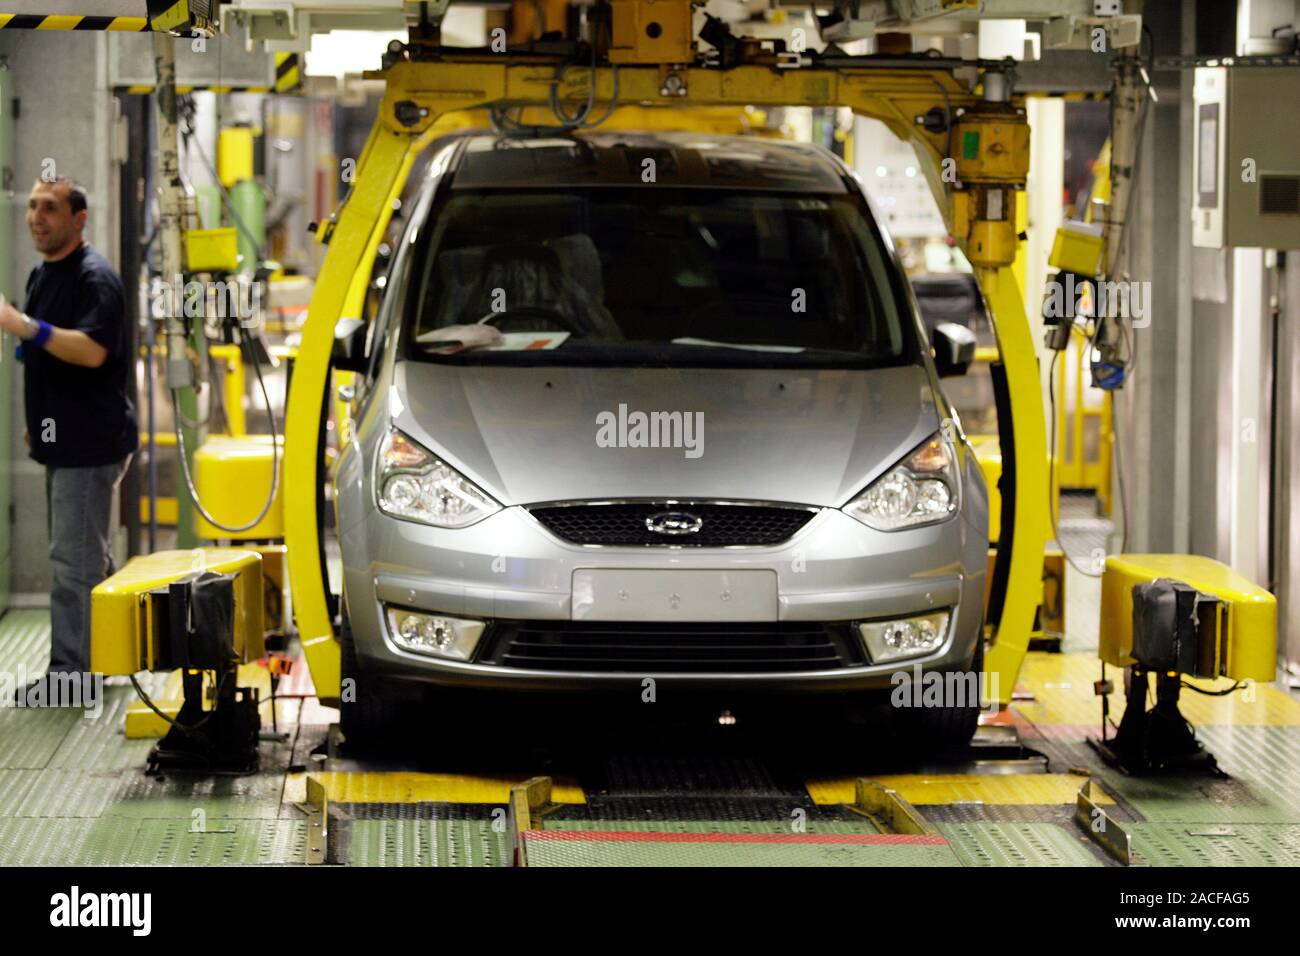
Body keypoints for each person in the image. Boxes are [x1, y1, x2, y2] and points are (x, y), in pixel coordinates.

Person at [0, 176, 138, 697]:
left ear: (79, 219)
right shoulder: (45, 272)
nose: (36, 216)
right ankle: (109, 653)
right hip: (63, 440)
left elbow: (91, 351)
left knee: (72, 563)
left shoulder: (93, 277)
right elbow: (44, 345)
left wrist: (21, 326)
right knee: (88, 556)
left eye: (50, 208)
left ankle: (72, 677)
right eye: (33, 206)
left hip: (89, 443)